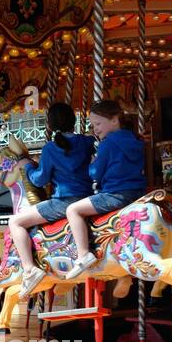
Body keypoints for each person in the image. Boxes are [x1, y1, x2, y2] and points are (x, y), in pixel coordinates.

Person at [11, 102, 97, 298]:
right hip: (87, 198)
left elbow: (39, 180)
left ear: (49, 125)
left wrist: (27, 166)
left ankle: (30, 269)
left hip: (63, 201)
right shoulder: (87, 142)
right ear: (73, 121)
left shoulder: (51, 148)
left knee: (15, 222)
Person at [63, 99, 148, 280]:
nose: (95, 129)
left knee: (73, 210)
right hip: (138, 193)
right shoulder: (135, 139)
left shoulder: (108, 143)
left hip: (116, 194)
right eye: (93, 125)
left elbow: (95, 173)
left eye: (98, 123)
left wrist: (93, 162)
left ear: (115, 120)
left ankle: (83, 253)